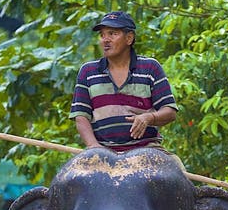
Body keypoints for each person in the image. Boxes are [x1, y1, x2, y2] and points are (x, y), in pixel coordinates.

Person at [70, 11, 177, 153]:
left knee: (177, 172)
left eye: (112, 34)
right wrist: (93, 146)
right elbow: (81, 116)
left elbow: (169, 111)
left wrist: (149, 118)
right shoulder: (88, 71)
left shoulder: (150, 67)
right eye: (102, 35)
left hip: (147, 149)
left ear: (129, 38)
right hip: (103, 150)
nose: (105, 39)